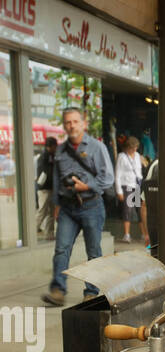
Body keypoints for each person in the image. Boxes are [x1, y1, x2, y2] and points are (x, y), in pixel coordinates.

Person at [42, 107, 114, 306]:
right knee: (61, 249)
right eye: (67, 122)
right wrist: (56, 205)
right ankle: (58, 291)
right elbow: (56, 180)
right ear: (64, 125)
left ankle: (91, 292)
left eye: (75, 121)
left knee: (93, 252)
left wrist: (88, 186)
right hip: (67, 208)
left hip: (92, 205)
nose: (71, 125)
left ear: (83, 124)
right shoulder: (60, 151)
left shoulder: (97, 148)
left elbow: (108, 178)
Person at [115, 136, 145, 243]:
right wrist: (119, 190)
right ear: (128, 147)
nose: (134, 150)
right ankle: (127, 234)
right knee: (128, 210)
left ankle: (143, 234)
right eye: (133, 147)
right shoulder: (122, 156)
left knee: (139, 209)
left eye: (136, 147)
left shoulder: (137, 156)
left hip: (136, 185)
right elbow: (118, 174)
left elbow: (139, 171)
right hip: (127, 185)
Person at [35, 136, 58, 237]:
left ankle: (50, 233)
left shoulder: (51, 156)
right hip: (45, 189)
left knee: (50, 212)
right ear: (51, 146)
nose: (56, 148)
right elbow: (46, 172)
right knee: (43, 211)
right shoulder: (44, 156)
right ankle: (33, 230)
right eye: (55, 146)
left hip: (50, 188)